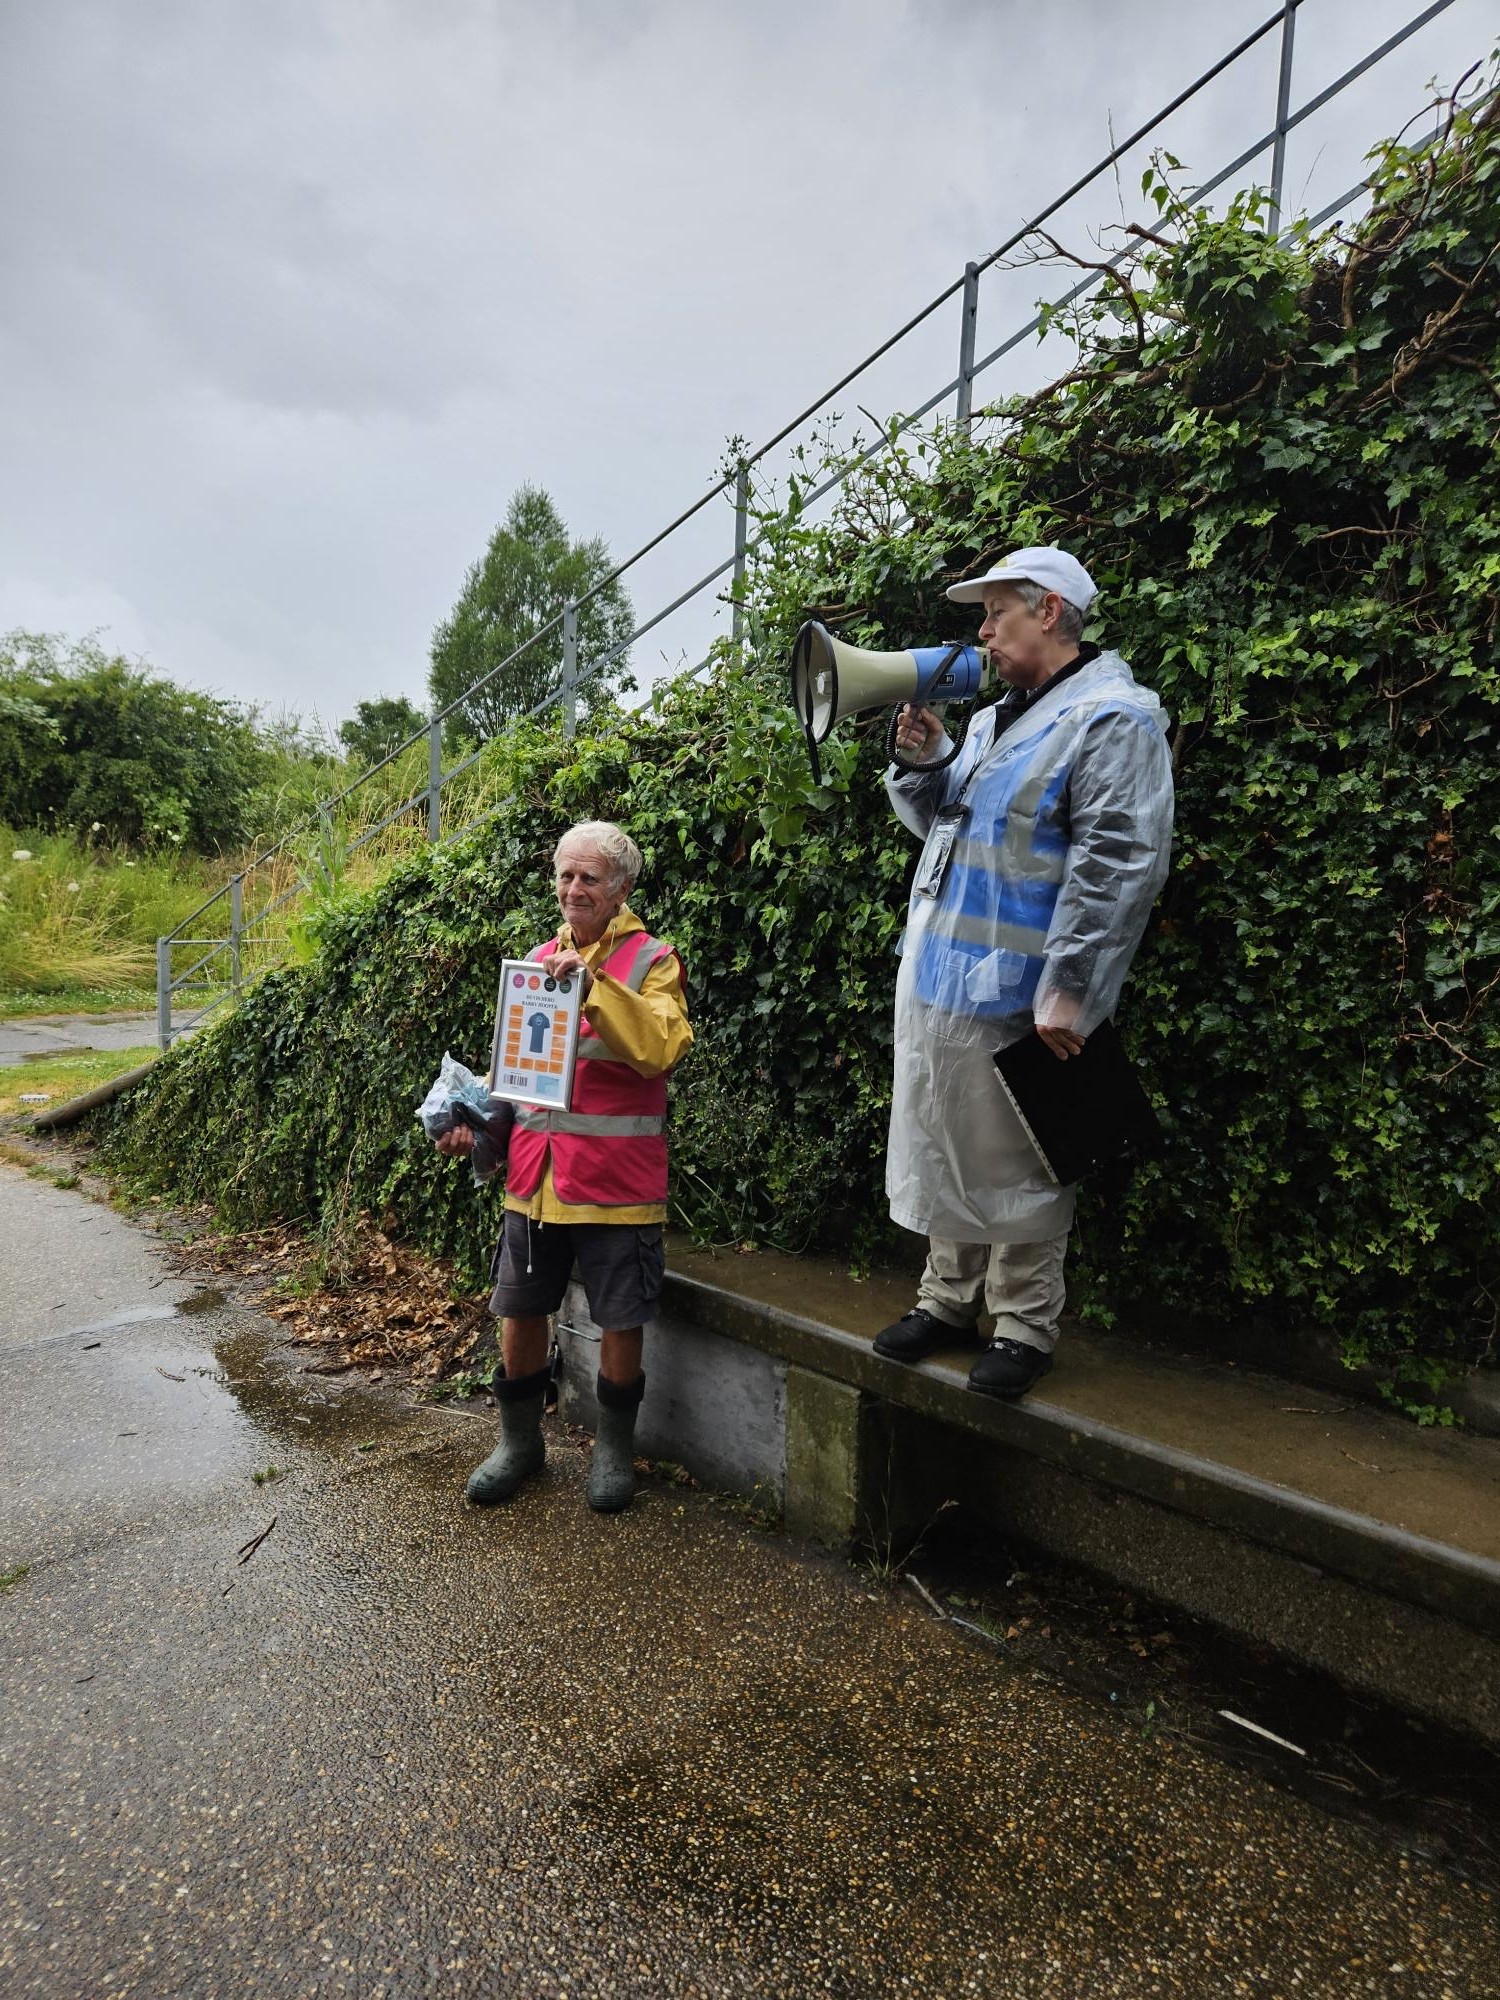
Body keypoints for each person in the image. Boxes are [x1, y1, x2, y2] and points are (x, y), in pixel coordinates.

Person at [875, 546, 1174, 1397]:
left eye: (994, 612)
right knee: (946, 1139)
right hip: (944, 976)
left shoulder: (1113, 718)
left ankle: (1023, 1325)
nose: (981, 632)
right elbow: (947, 829)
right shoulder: (990, 720)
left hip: (1026, 989)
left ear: (1047, 612)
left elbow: (1117, 866)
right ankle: (947, 1301)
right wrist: (930, 759)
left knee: (1026, 1159)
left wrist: (1071, 991)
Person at [435, 820, 692, 1511]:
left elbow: (663, 1046)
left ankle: (612, 1450)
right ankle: (519, 1442)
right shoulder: (534, 959)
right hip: (533, 1179)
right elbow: (515, 1079)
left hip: (617, 1184)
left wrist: (594, 987)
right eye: (564, 875)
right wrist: (477, 1133)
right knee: (517, 1310)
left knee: (620, 1317)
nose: (573, 889)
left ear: (622, 889)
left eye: (589, 878)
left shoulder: (652, 960)